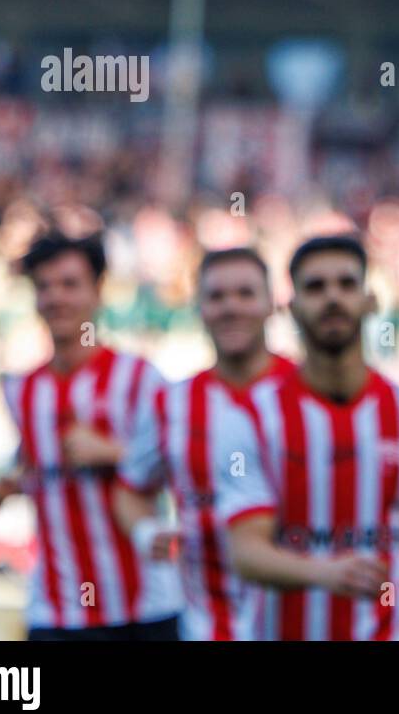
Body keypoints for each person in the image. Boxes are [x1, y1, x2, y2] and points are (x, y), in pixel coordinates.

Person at [214, 234, 399, 640]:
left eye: (346, 284)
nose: (332, 298)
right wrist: (325, 572)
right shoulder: (251, 418)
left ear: (370, 300)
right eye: (315, 287)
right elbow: (246, 553)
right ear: (290, 307)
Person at [0, 230, 182, 639]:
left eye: (70, 284)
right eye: (44, 287)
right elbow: (27, 467)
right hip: (55, 614)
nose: (56, 297)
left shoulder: (141, 379)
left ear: (98, 291)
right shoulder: (20, 390)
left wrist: (113, 451)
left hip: (144, 608)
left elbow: (185, 465)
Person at [112, 247, 296, 640]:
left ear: (272, 305)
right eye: (216, 296)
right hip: (205, 627)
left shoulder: (308, 395)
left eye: (245, 294)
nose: (231, 307)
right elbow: (130, 489)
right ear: (199, 308)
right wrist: (145, 531)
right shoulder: (170, 403)